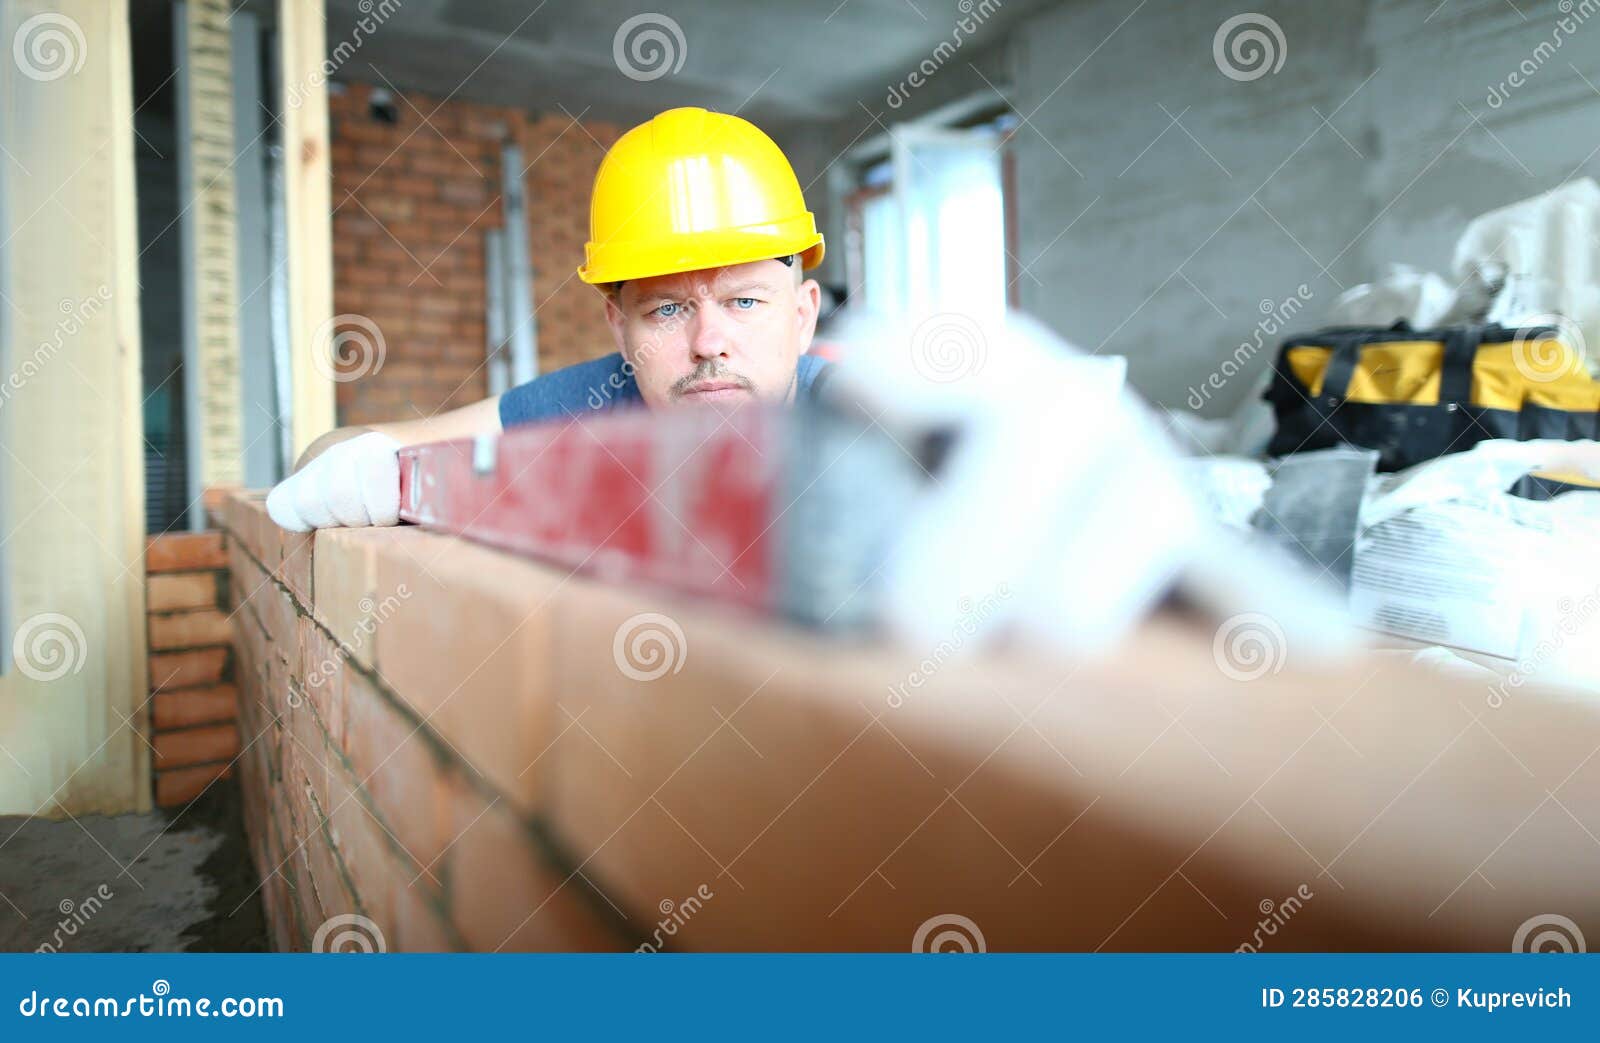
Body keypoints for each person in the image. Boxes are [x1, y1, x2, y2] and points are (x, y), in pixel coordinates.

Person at [266, 106, 829, 532]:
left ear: (802, 316)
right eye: (666, 309)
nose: (708, 342)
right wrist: (362, 475)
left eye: (745, 302)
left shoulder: (870, 422)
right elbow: (340, 448)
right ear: (618, 327)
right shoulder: (594, 402)